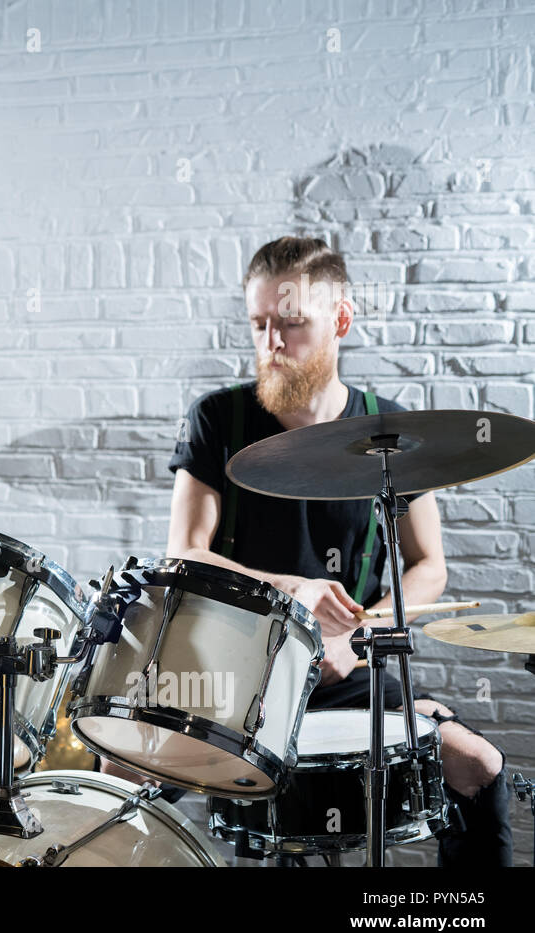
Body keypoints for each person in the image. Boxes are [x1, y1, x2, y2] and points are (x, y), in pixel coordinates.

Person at [161, 236, 511, 865]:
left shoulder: (392, 431)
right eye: (259, 324)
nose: (271, 342)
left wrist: (357, 634)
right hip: (240, 678)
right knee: (115, 771)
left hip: (351, 674)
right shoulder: (219, 419)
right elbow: (185, 556)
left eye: (291, 324)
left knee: (480, 766)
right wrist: (294, 590)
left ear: (341, 320)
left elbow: (429, 566)